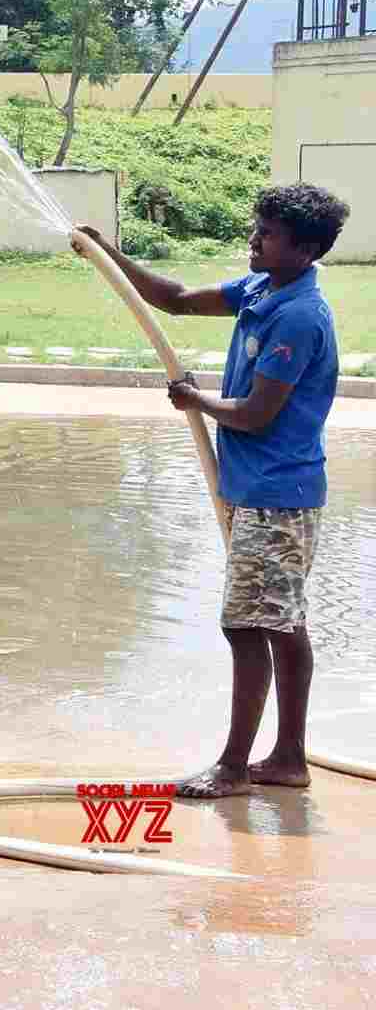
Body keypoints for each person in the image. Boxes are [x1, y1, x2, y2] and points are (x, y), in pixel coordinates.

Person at [75, 181, 351, 798]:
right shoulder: (262, 288)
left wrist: (195, 399)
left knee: (251, 626)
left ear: (305, 251)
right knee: (279, 622)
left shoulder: (299, 316)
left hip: (278, 498)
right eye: (257, 227)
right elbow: (174, 300)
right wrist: (107, 253)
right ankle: (287, 759)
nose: (253, 239)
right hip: (260, 490)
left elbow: (255, 414)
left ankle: (234, 767)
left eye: (268, 235)